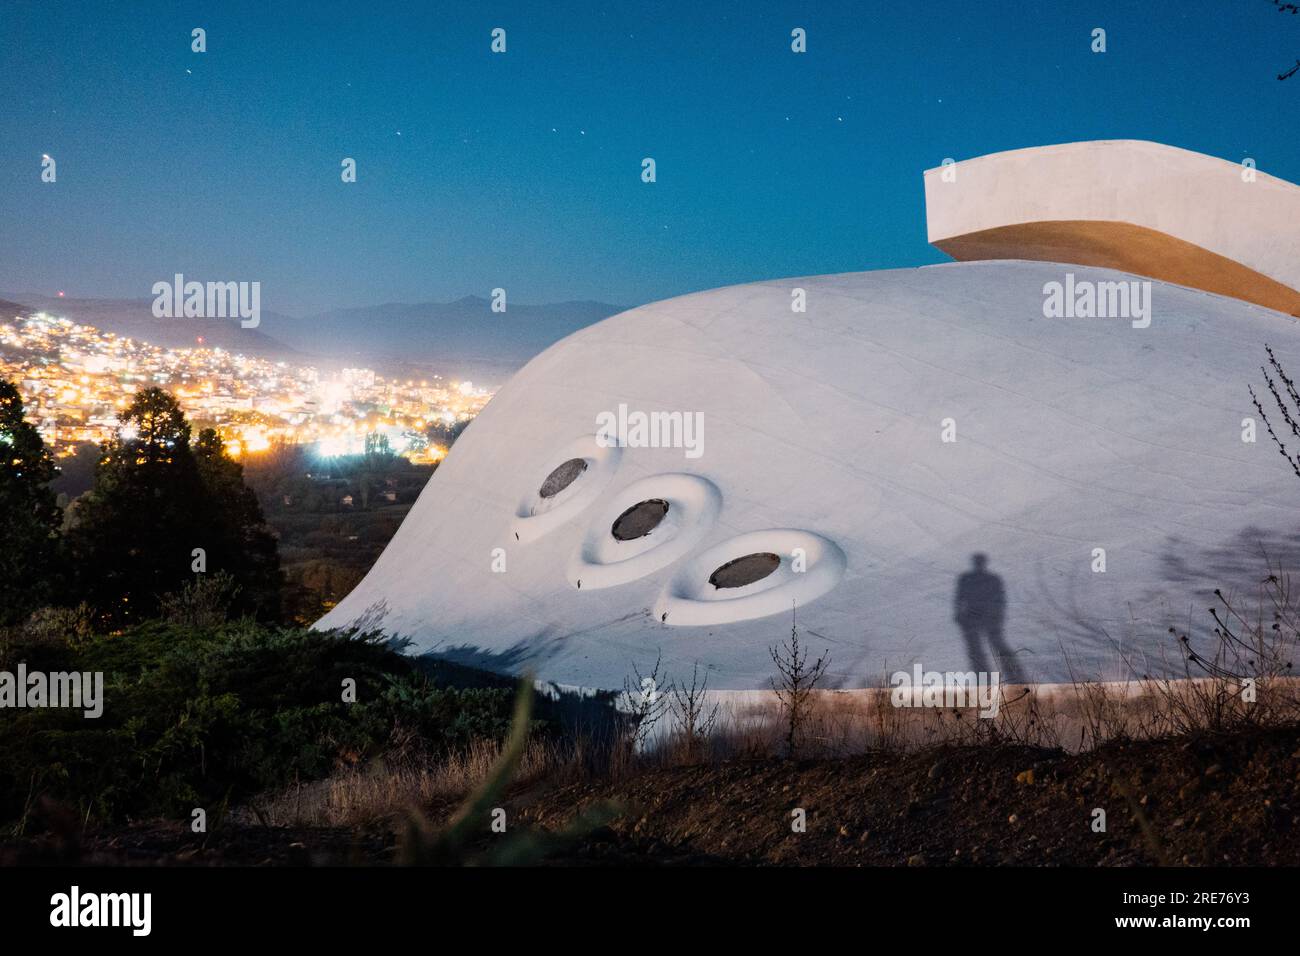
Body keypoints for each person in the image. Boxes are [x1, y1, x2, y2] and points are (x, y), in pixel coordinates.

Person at [954, 553, 1021, 681]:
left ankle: (993, 673)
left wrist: (959, 614)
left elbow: (1000, 599)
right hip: (976, 617)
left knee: (990, 645)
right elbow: (959, 598)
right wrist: (959, 614)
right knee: (979, 648)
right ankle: (986, 674)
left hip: (982, 617)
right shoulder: (987, 579)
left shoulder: (969, 578)